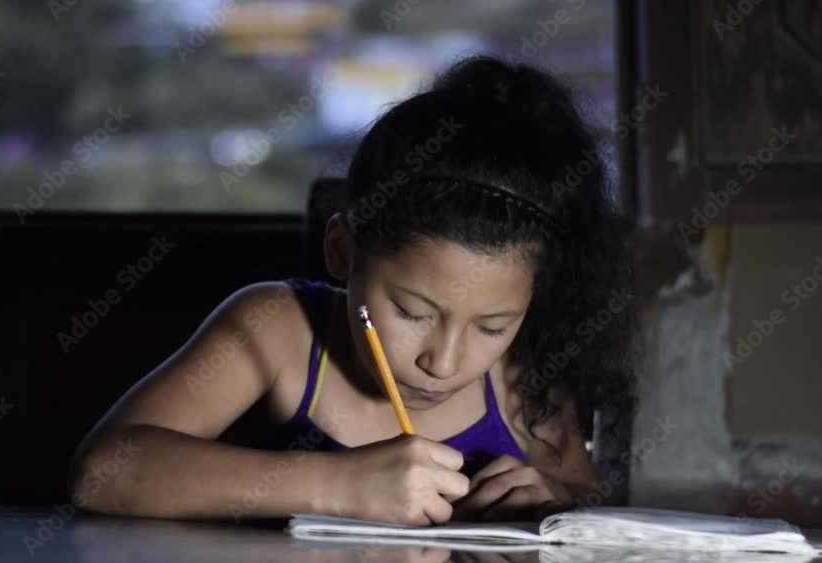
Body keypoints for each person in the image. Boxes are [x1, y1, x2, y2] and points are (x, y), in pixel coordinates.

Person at [69, 55, 636, 526]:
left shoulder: (524, 372)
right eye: (411, 311)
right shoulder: (277, 328)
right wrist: (340, 484)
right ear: (343, 251)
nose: (443, 361)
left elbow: (583, 499)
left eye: (492, 326)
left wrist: (554, 500)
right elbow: (104, 473)